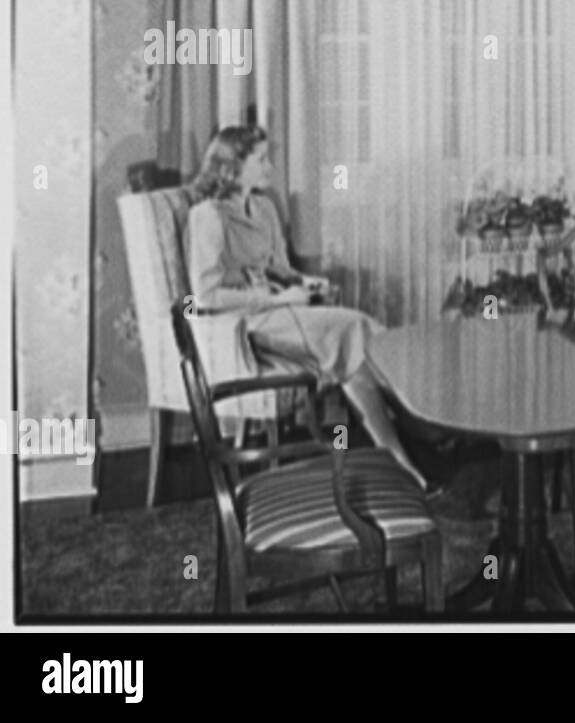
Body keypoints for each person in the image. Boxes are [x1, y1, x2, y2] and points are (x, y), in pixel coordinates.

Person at [185, 125, 431, 493]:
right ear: (232, 166)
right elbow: (205, 296)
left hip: (280, 311)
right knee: (355, 326)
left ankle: (401, 461)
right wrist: (275, 300)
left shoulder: (264, 206)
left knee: (356, 364)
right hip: (244, 326)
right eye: (261, 158)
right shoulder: (208, 215)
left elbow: (280, 270)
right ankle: (420, 423)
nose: (270, 166)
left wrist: (304, 283)